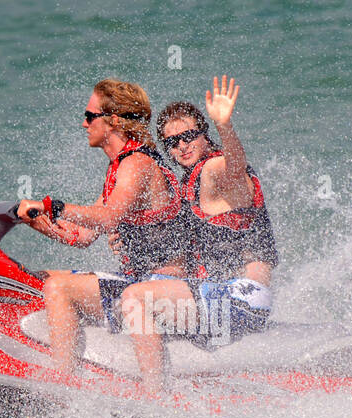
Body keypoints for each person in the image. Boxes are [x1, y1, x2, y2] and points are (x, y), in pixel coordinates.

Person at [15, 79, 186, 378]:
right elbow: (80, 236)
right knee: (39, 275)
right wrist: (31, 220)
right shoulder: (120, 168)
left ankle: (64, 385)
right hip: (139, 283)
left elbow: (108, 218)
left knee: (59, 287)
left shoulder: (138, 164)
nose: (84, 124)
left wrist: (50, 205)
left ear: (113, 121)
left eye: (90, 116)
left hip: (163, 289)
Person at [117, 76, 279, 391]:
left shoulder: (213, 171)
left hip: (241, 302)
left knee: (135, 298)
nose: (182, 145)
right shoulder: (189, 185)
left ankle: (153, 398)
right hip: (214, 296)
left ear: (205, 135)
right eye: (173, 142)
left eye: (190, 136)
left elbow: (234, 170)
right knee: (141, 284)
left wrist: (225, 125)